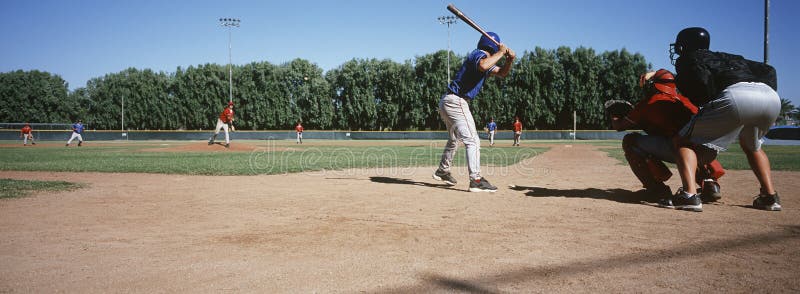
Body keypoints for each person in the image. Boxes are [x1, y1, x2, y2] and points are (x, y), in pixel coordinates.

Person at [660, 27, 781, 212]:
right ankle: (769, 197)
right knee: (753, 146)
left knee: (684, 142)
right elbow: (768, 69)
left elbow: (700, 86)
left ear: (685, 46)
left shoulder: (689, 58)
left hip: (736, 97)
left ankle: (689, 195)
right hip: (770, 97)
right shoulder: (728, 57)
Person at [611, 69, 725, 202]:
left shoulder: (649, 103)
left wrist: (614, 114)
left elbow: (619, 126)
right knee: (692, 142)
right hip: (707, 151)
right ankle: (710, 184)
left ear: (654, 86)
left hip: (679, 150)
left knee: (630, 141)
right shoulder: (685, 100)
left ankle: (655, 189)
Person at [432, 31, 515, 192]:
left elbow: (502, 73)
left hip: (449, 101)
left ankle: (443, 170)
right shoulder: (478, 54)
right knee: (473, 140)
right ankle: (476, 180)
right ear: (493, 46)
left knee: (454, 139)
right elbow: (483, 65)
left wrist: (509, 60)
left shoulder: (486, 58)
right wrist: (501, 52)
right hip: (457, 100)